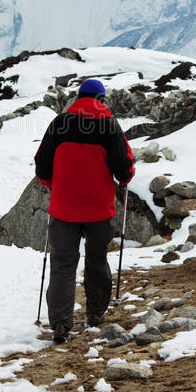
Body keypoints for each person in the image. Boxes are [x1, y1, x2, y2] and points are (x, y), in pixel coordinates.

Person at [34, 78, 135, 343]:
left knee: (62, 265)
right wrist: (125, 180)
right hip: (99, 210)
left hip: (64, 208)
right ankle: (96, 314)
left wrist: (54, 186)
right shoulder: (110, 125)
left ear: (78, 97)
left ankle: (60, 325)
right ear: (101, 99)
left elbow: (41, 166)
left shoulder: (60, 124)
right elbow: (125, 168)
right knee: (97, 259)